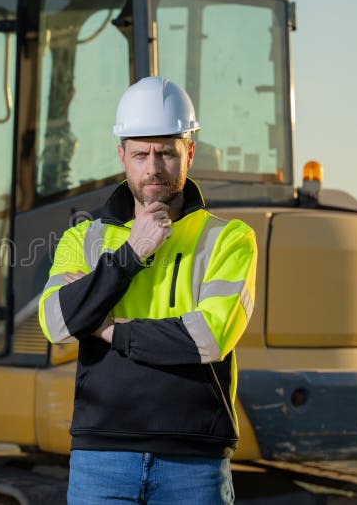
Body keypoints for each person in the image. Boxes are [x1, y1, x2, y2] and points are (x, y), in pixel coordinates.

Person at [38, 76, 257, 504]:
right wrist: (130, 254)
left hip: (193, 462)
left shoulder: (229, 238)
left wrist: (105, 328)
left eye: (166, 153)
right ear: (122, 156)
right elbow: (57, 323)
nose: (153, 168)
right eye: (140, 154)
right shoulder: (82, 239)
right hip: (101, 459)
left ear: (189, 152)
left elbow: (208, 337)